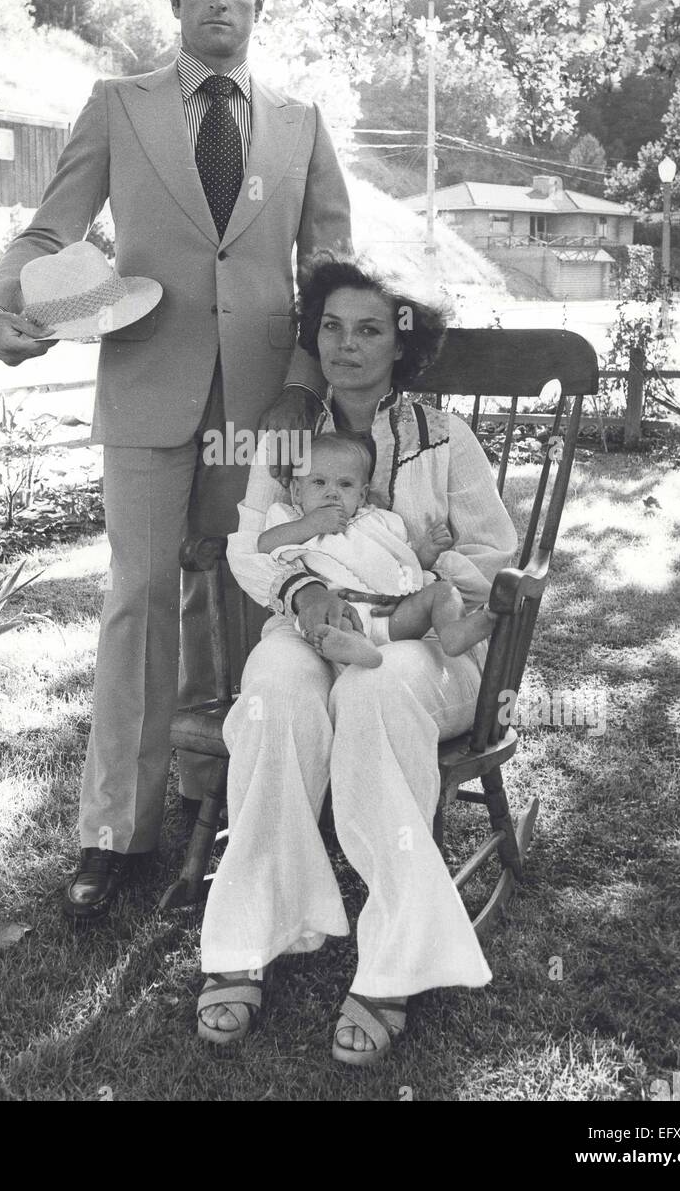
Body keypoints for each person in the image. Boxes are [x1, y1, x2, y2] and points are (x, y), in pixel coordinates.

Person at [0, 0, 351, 921]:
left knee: (249, 600)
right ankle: (115, 832)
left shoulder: (303, 125)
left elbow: (332, 265)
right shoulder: (118, 106)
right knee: (139, 602)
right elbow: (50, 230)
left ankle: (247, 799)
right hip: (145, 389)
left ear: (259, 0)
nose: (218, 0)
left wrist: (306, 376)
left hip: (263, 404)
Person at [195, 256, 519, 1066]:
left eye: (370, 329)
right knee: (272, 689)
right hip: (312, 633)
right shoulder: (290, 440)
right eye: (332, 326)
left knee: (379, 692)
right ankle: (247, 931)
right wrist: (302, 588)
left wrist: (422, 586)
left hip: (423, 650)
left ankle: (394, 962)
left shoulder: (444, 438)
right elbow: (250, 545)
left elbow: (495, 553)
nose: (347, 345)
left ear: (401, 345)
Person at [257, 430, 498, 667]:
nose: (332, 492)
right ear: (297, 491)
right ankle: (354, 646)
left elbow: (404, 565)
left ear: (362, 496)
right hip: (334, 610)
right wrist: (310, 525)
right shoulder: (290, 518)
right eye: (319, 482)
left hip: (391, 617)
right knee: (323, 625)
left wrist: (427, 552)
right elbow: (265, 546)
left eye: (345, 484)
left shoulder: (379, 521)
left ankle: (453, 632)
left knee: (443, 592)